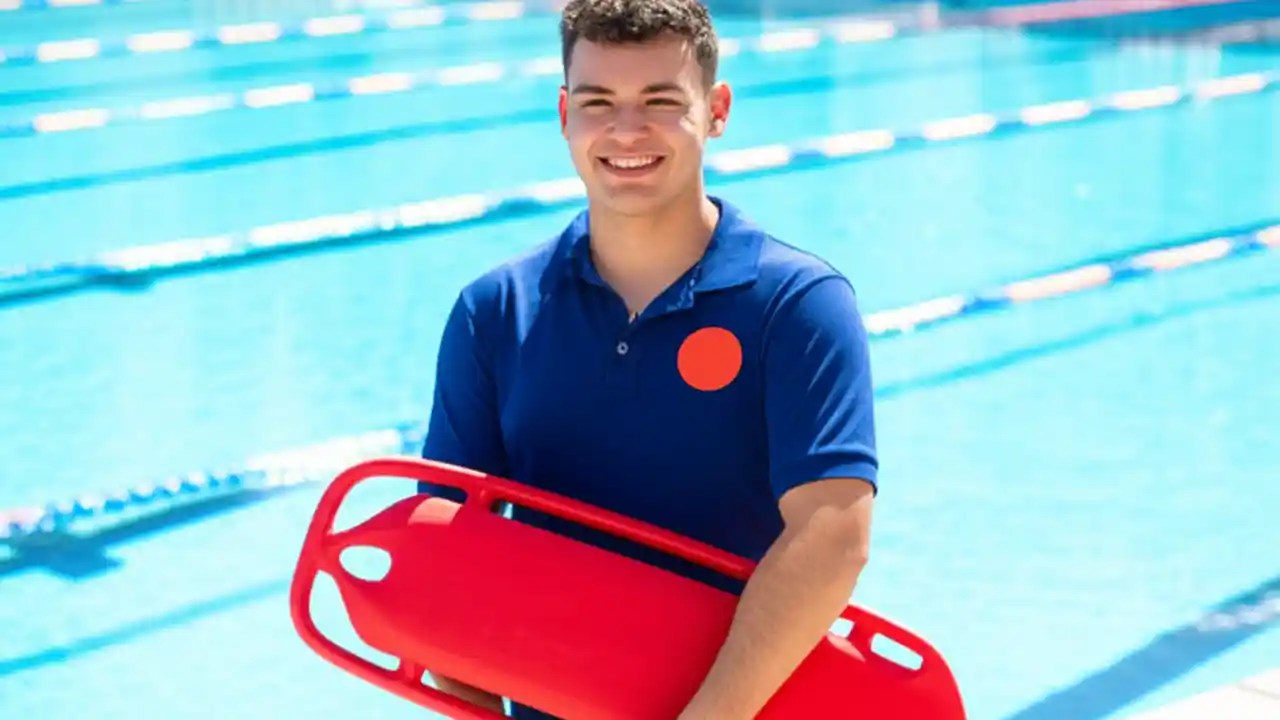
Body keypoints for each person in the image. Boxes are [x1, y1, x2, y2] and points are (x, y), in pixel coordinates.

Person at [418, 0, 878, 717]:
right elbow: (444, 551)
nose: (626, 131)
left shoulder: (799, 306)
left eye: (660, 101)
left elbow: (833, 538)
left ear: (717, 109)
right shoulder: (496, 311)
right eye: (599, 102)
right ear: (564, 114)